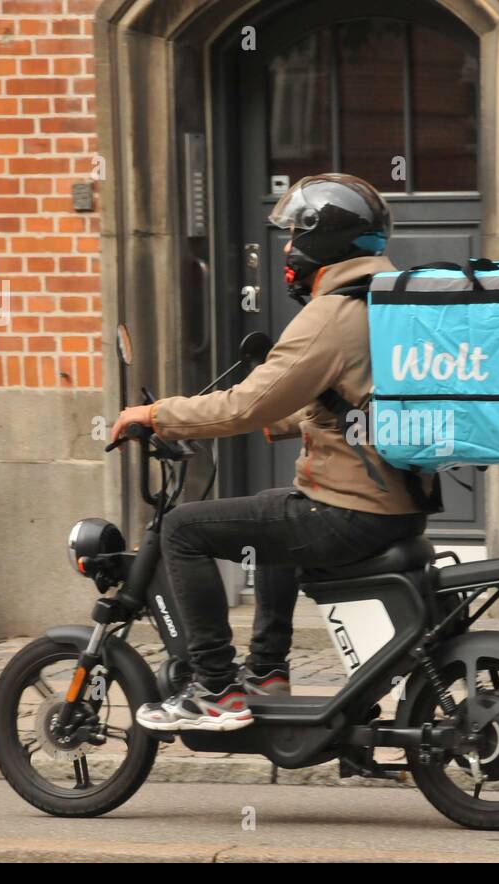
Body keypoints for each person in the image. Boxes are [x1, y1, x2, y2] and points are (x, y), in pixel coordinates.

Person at [109, 173, 436, 732]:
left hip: (351, 512)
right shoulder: (389, 297)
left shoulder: (331, 314)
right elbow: (358, 393)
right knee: (274, 507)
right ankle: (267, 673)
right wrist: (285, 423)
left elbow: (242, 406)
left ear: (323, 241)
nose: (286, 248)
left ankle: (213, 688)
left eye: (294, 235)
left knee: (181, 529)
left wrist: (156, 414)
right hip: (397, 505)